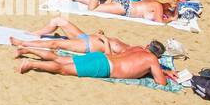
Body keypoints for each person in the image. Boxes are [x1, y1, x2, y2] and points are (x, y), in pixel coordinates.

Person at [14, 42, 169, 84]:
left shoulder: (136, 48)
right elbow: (161, 82)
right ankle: (32, 64)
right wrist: (163, 72)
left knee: (60, 59)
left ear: (147, 46)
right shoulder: (152, 60)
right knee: (62, 69)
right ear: (158, 56)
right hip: (105, 67)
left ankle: (27, 49)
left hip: (101, 57)